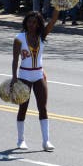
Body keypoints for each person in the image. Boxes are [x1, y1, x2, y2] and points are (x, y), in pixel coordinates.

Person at [11, 9, 60, 151]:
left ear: (39, 24)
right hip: (24, 76)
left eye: (35, 22)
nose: (32, 25)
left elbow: (53, 21)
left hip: (38, 75)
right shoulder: (19, 38)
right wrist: (14, 78)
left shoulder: (42, 35)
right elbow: (15, 60)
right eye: (29, 22)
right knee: (23, 108)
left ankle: (46, 141)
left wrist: (57, 5)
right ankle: (20, 140)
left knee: (43, 108)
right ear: (25, 23)